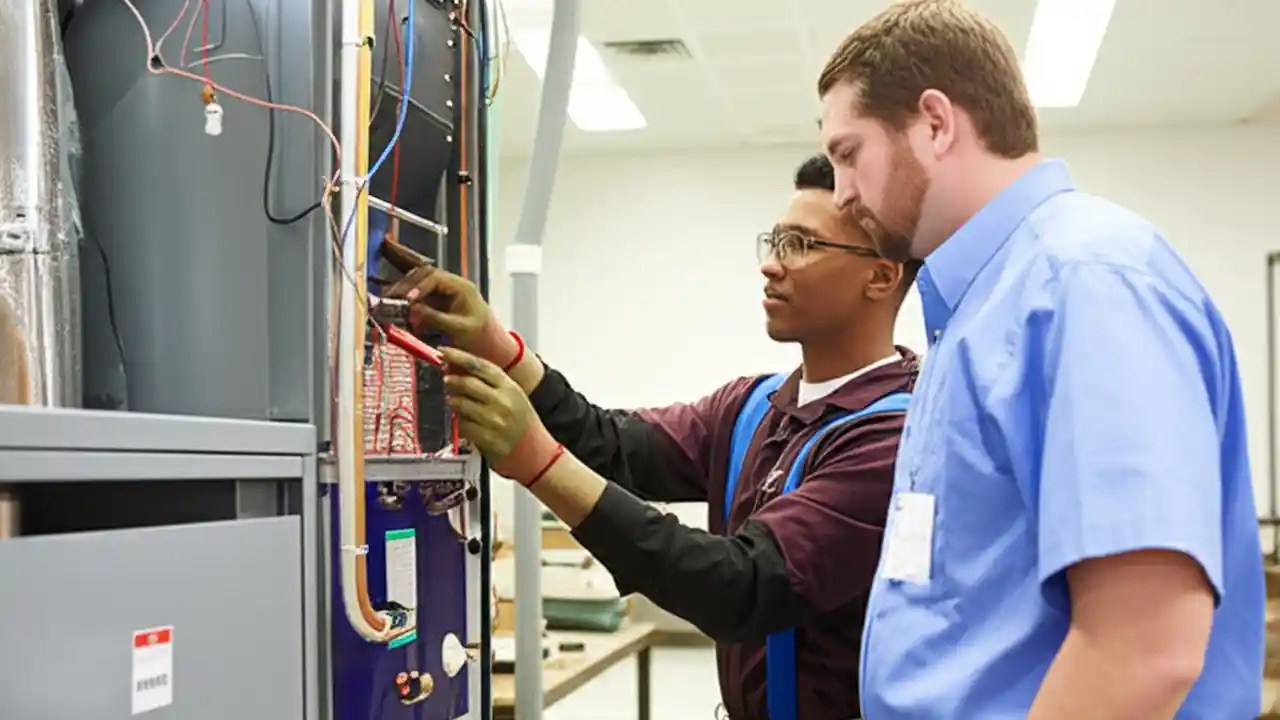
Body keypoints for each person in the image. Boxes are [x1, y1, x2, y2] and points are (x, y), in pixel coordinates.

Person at [814, 1, 1265, 718]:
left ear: (935, 123)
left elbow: (1144, 647)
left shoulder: (1083, 283)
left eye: (848, 154)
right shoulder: (980, 307)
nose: (840, 196)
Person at [390, 155, 919, 720]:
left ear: (881, 275)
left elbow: (741, 586)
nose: (771, 265)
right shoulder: (752, 407)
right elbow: (611, 444)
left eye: (801, 245)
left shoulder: (894, 438)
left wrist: (539, 462)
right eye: (774, 241)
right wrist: (500, 347)